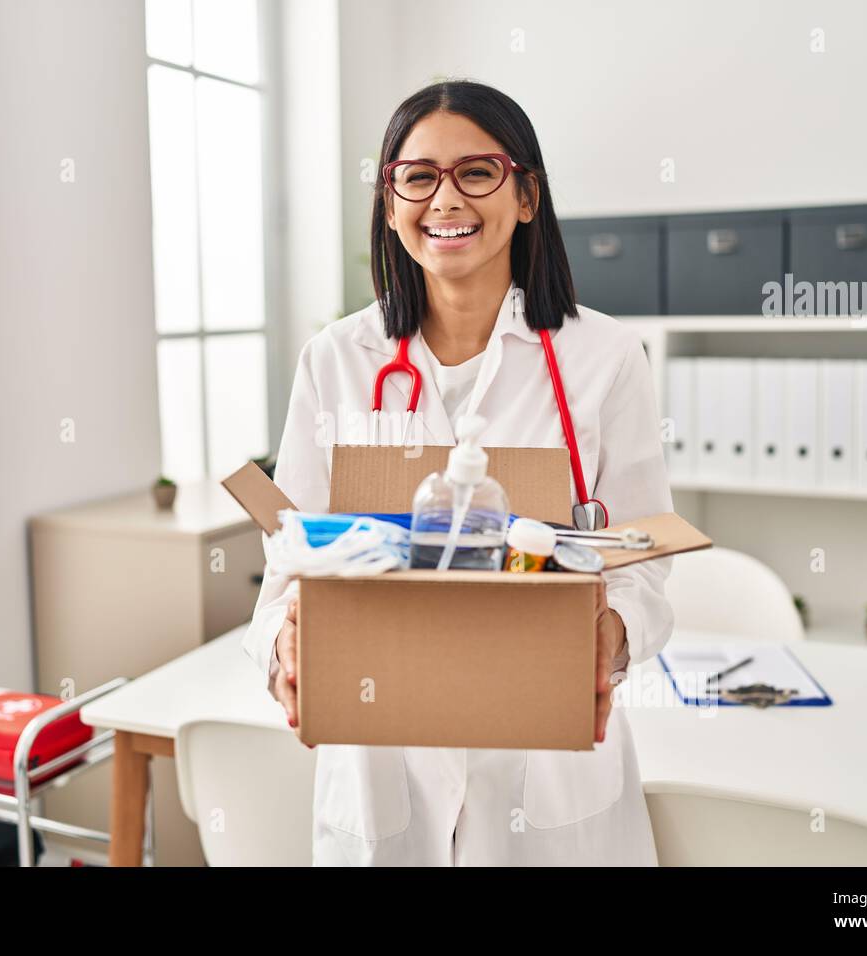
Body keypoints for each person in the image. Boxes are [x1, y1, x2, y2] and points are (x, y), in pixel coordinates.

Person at [242, 80, 674, 866]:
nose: (445, 198)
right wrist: (285, 648)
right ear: (389, 199)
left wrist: (612, 634)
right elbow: (288, 566)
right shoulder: (335, 362)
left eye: (477, 171)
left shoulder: (605, 359)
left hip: (547, 774)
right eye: (417, 176)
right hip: (380, 768)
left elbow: (643, 559)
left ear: (527, 194)